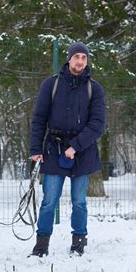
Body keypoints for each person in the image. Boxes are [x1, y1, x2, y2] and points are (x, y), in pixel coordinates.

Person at [29, 42, 106, 257]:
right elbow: (39, 119)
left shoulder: (95, 89)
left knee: (79, 202)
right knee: (48, 201)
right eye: (76, 57)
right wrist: (36, 148)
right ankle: (41, 245)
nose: (80, 61)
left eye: (84, 57)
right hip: (53, 149)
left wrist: (75, 146)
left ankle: (79, 242)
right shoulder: (50, 85)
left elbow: (98, 124)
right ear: (69, 59)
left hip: (83, 151)